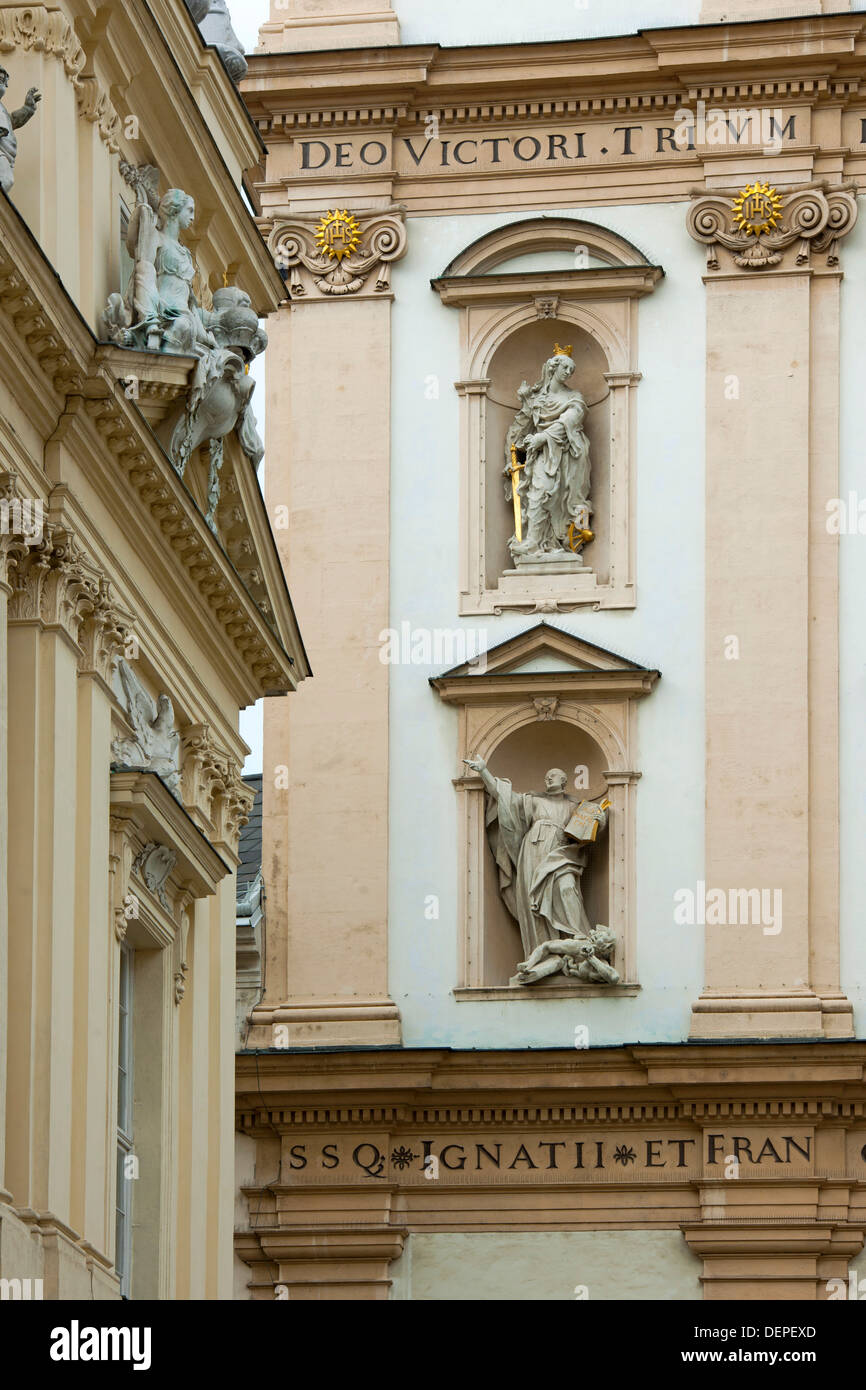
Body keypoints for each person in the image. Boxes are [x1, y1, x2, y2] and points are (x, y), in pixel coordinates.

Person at [0, 70, 40, 195]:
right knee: (6, 180)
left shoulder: (1, 109)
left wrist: (27, 109)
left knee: (6, 180)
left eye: (2, 81)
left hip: (7, 155)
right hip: (1, 153)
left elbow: (11, 122)